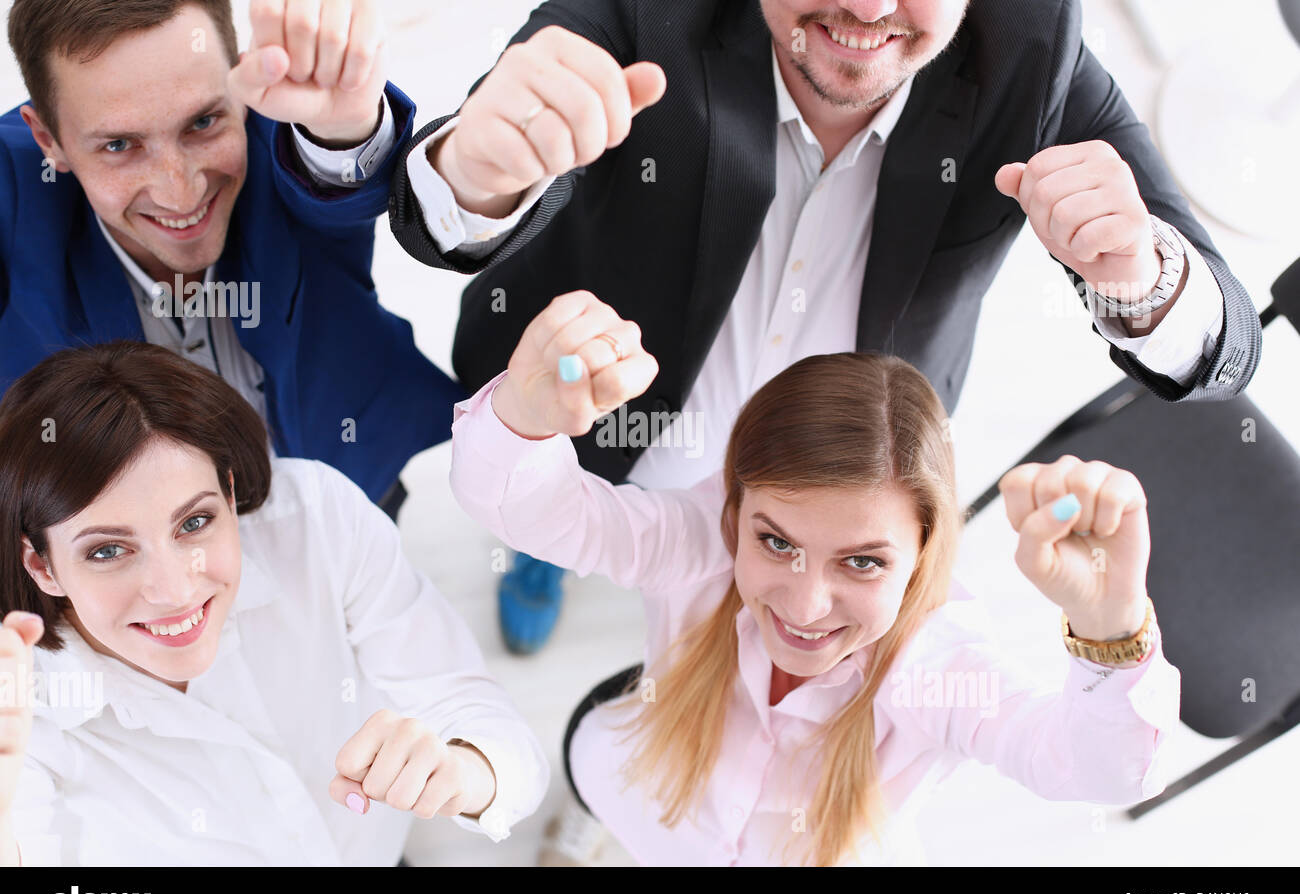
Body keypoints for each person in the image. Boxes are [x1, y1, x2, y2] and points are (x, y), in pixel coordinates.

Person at [388, 0, 1259, 655]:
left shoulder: (1032, 46)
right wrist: (472, 173)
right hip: (603, 420)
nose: (871, 9)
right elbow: (448, 205)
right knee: (558, 514)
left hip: (831, 474)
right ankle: (548, 558)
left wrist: (1143, 281)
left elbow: (1224, 347)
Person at [449, 291, 1180, 866]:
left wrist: (1110, 622)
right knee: (605, 786)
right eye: (775, 541)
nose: (802, 606)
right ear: (735, 511)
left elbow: (1101, 773)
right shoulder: (703, 541)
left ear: (924, 549)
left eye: (862, 561)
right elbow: (533, 509)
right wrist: (525, 414)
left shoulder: (937, 665)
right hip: (651, 789)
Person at [0, 342, 548, 866]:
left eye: (195, 522)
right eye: (108, 550)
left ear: (231, 494)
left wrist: (463, 771)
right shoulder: (22, 703)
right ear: (41, 566)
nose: (175, 590)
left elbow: (484, 721)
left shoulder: (318, 522)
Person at [1, 0, 465, 521]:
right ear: (48, 140)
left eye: (203, 122)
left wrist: (347, 125)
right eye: (118, 145)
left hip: (342, 482)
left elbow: (338, 174)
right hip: (131, 555)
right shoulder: (12, 187)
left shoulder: (285, 125)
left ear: (240, 85)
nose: (181, 192)